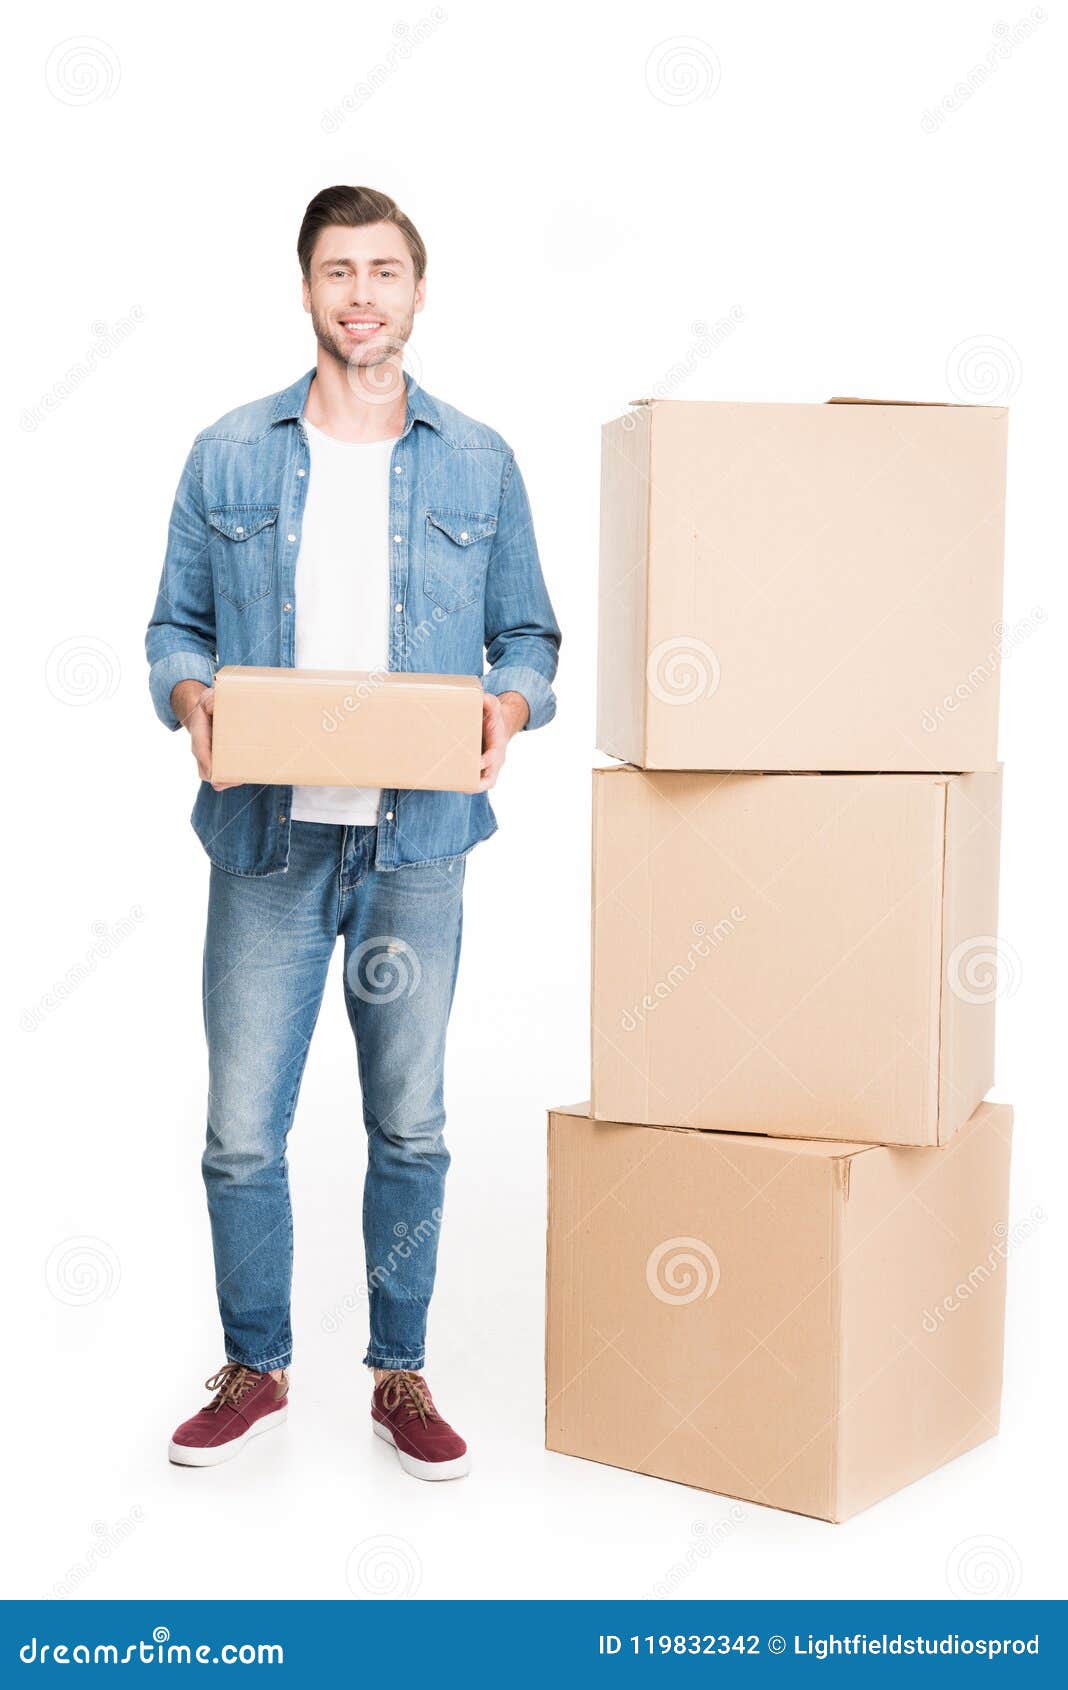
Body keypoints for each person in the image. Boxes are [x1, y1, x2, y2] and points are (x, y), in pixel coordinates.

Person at [145, 184, 561, 1479]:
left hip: (416, 849)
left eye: (385, 270)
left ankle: (399, 1371)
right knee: (240, 1131)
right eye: (339, 270)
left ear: (419, 292)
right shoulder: (228, 451)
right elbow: (173, 628)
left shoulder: (480, 460)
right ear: (308, 289)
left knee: (413, 1124)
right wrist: (189, 694)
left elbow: (532, 637)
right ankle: (258, 1364)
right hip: (267, 846)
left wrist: (511, 705)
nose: (362, 293)